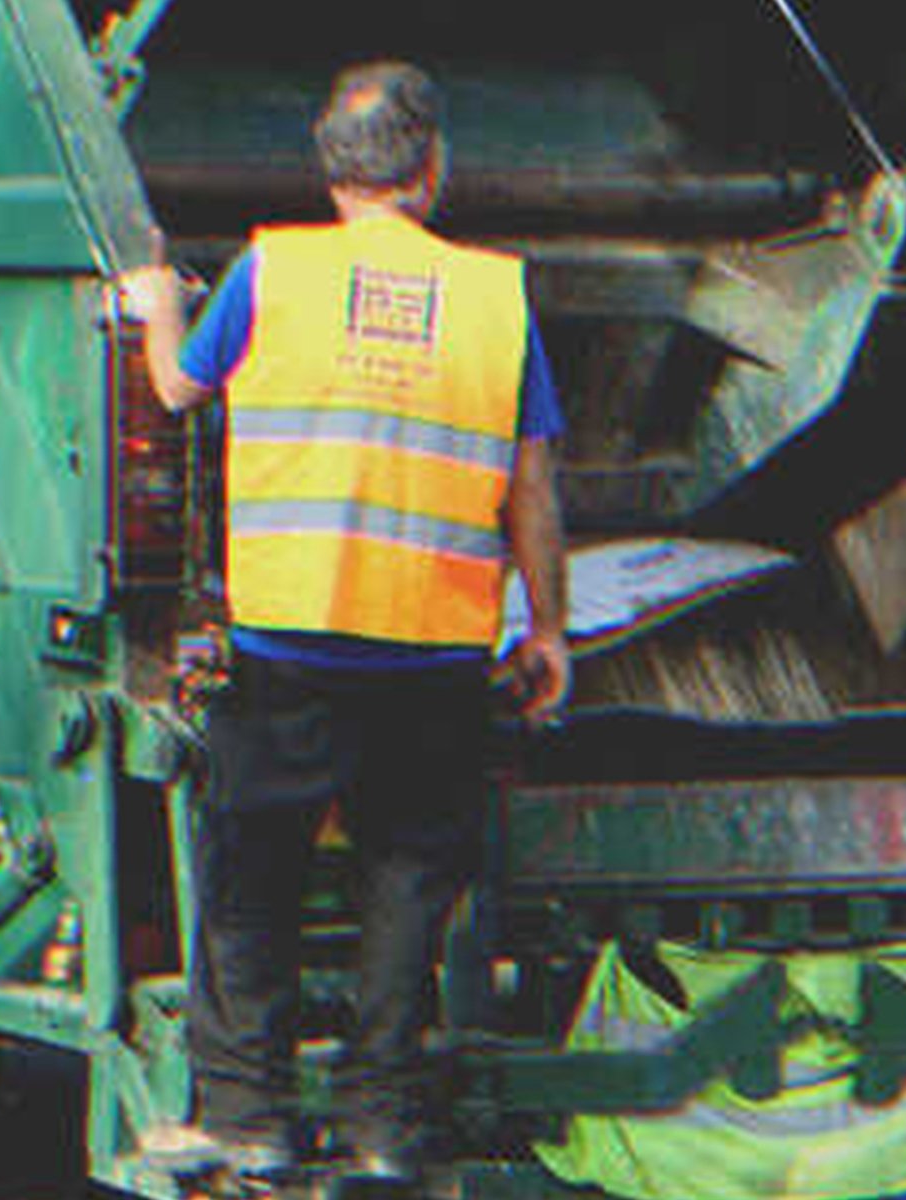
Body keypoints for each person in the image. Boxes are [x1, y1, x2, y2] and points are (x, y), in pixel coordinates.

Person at [121, 60, 572, 1182]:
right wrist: (549, 632)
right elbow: (533, 490)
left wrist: (158, 304)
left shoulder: (274, 273)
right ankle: (381, 1124)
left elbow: (177, 389)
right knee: (409, 885)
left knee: (252, 876)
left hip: (292, 640)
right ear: (434, 171)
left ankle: (250, 1116)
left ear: (331, 172)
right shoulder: (493, 298)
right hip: (433, 645)